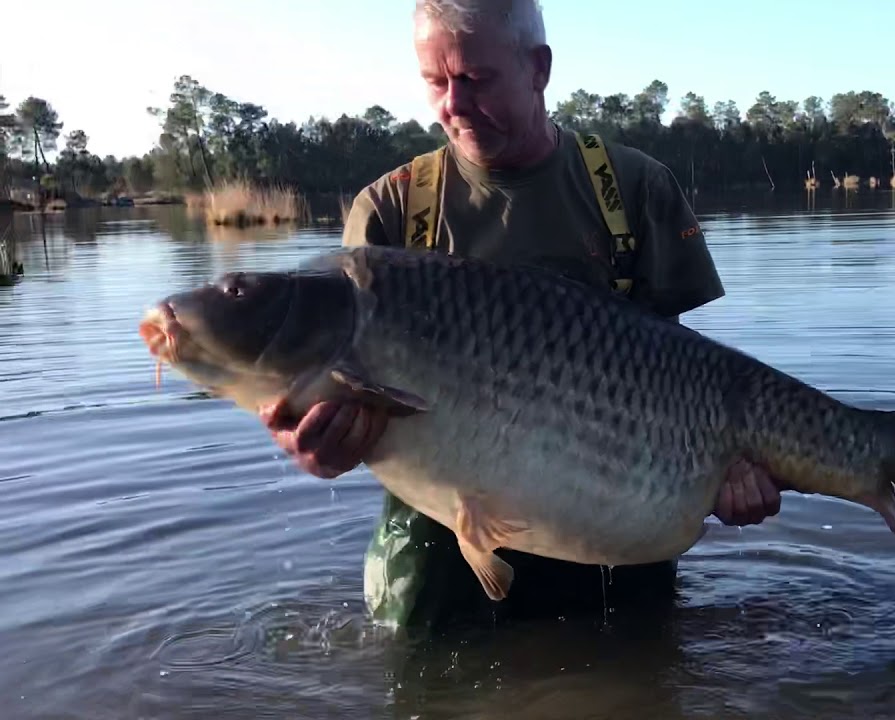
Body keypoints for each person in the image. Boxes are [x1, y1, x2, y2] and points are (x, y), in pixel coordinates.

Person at [257, 0, 785, 631]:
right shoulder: (390, 212)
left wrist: (728, 472)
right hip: (439, 549)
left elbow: (679, 379)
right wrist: (312, 446)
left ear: (538, 69)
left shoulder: (634, 189)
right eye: (436, 81)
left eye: (476, 79)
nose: (453, 103)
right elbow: (323, 412)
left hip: (611, 515)